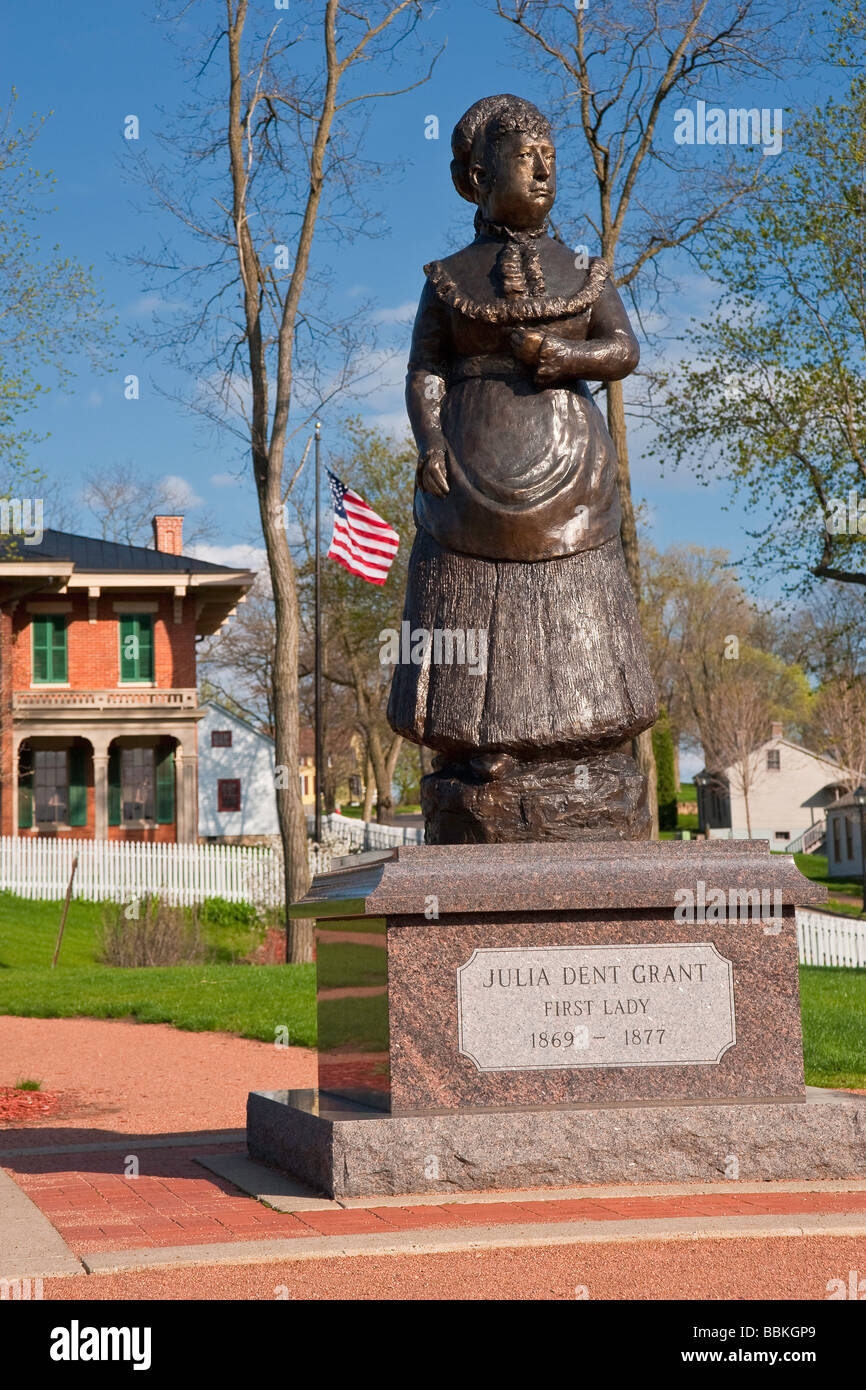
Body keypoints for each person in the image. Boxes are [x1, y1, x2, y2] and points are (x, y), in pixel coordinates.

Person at [387, 94, 657, 837]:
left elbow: (624, 351)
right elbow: (424, 369)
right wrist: (431, 441)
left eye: (551, 159)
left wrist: (569, 357)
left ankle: (587, 739)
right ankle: (483, 745)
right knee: (476, 604)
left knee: (572, 595)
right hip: (471, 471)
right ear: (478, 176)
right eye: (524, 158)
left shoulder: (585, 271)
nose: (543, 171)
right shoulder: (446, 277)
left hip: (568, 469)